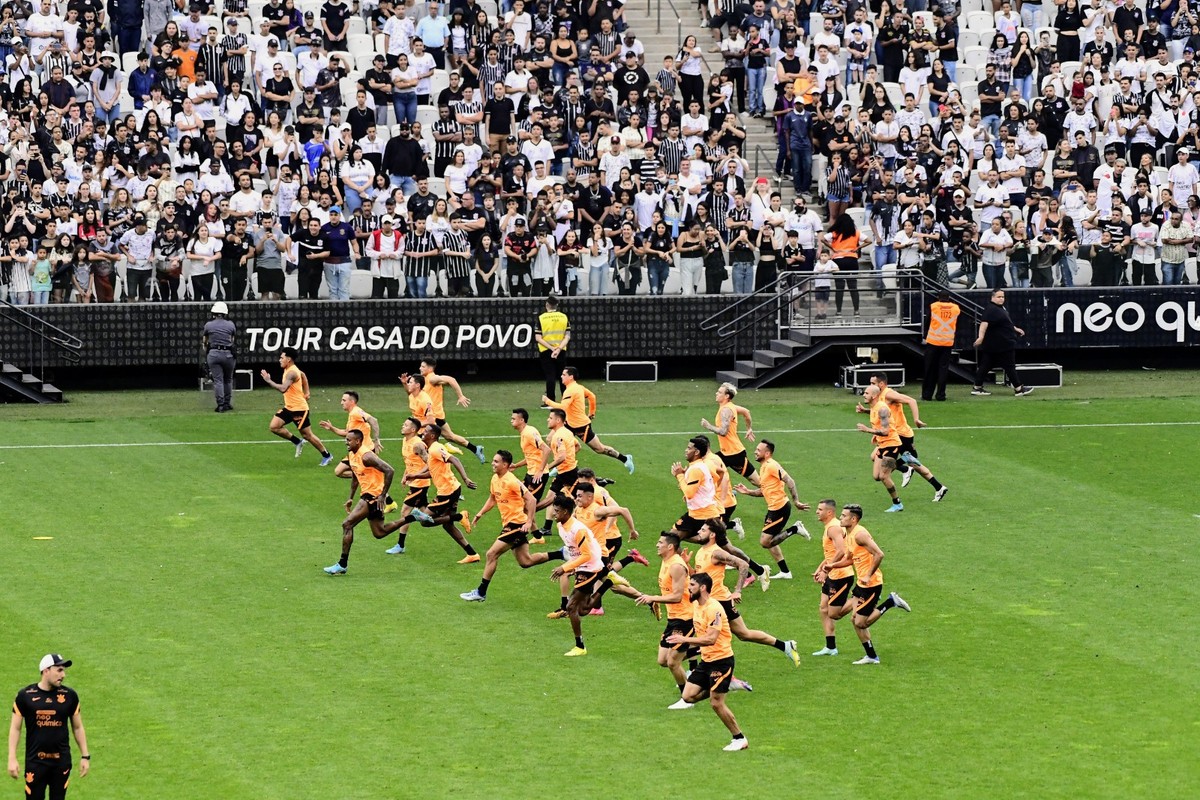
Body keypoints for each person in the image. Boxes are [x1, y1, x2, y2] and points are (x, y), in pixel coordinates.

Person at [665, 572, 749, 751]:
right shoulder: (697, 605)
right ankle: (727, 686)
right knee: (687, 696)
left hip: (721, 660)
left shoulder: (714, 608)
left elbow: (711, 638)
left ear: (702, 588)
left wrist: (685, 641)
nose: (689, 588)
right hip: (707, 659)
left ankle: (739, 738)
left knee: (716, 703)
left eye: (693, 585)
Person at [460, 449, 550, 602]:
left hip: (517, 524)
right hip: (510, 523)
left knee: (491, 554)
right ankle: (561, 554)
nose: (493, 464)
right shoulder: (495, 479)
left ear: (505, 464)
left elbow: (532, 500)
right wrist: (481, 513)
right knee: (525, 562)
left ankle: (481, 592)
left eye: (496, 461)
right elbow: (492, 499)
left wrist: (529, 522)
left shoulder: (512, 481)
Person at [7, 654, 90, 800]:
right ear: (46, 671)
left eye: (63, 670)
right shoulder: (25, 696)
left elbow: (77, 727)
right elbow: (15, 728)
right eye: (59, 670)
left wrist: (85, 756)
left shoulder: (70, 696)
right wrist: (12, 758)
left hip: (61, 762)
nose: (63, 675)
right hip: (35, 763)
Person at [323, 430, 403, 575]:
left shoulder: (367, 456)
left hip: (372, 496)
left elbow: (390, 470)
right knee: (379, 532)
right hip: (368, 495)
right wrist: (350, 498)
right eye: (346, 439)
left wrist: (383, 495)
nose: (346, 442)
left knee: (347, 524)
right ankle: (412, 517)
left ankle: (342, 564)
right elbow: (355, 477)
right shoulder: (352, 455)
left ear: (358, 441)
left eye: (349, 440)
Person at [840, 504, 912, 664]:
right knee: (854, 620)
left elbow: (879, 554)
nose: (840, 517)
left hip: (871, 584)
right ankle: (871, 656)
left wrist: (868, 575)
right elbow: (851, 559)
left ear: (853, 519)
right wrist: (830, 566)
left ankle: (890, 602)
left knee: (860, 622)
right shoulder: (849, 533)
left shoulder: (860, 534)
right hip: (861, 583)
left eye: (844, 515)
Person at [732, 440, 810, 580]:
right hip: (773, 508)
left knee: (765, 542)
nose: (755, 451)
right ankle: (785, 572)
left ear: (767, 453)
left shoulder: (771, 465)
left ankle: (795, 529)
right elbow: (764, 491)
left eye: (758, 450)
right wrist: (748, 491)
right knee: (770, 540)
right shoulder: (763, 467)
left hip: (780, 508)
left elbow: (790, 481)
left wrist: (796, 501)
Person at [866, 374, 949, 502]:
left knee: (909, 464)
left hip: (901, 435)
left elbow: (911, 401)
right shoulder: (879, 398)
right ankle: (937, 486)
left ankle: (906, 467)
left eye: (873, 383)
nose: (871, 386)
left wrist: (916, 419)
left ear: (881, 384)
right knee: (878, 458)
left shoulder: (889, 394)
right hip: (892, 435)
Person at [405, 424, 480, 564]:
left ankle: (460, 516)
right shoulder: (432, 449)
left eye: (426, 431)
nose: (422, 432)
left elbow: (455, 459)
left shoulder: (435, 449)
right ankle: (472, 554)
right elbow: (432, 472)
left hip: (448, 492)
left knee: (424, 520)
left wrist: (465, 478)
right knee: (448, 525)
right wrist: (415, 476)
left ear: (432, 436)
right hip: (450, 490)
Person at [542, 366, 635, 474]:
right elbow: (592, 396)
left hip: (581, 426)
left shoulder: (572, 390)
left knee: (600, 449)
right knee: (550, 438)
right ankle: (560, 466)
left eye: (564, 375)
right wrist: (591, 412)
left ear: (571, 377)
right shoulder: (578, 387)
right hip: (569, 424)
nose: (561, 376)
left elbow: (563, 407)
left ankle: (625, 459)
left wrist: (548, 401)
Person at [547, 493, 606, 656]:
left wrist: (565, 568)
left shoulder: (577, 529)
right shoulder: (561, 526)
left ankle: (580, 647)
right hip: (581, 566)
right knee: (582, 609)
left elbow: (587, 554)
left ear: (566, 512)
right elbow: (574, 550)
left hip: (591, 565)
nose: (553, 514)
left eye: (557, 511)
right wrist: (573, 567)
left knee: (571, 607)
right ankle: (608, 583)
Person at [260, 349, 333, 464]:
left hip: (299, 409)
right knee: (274, 427)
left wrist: (268, 380)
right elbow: (303, 375)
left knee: (307, 435)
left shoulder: (292, 372)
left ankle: (327, 455)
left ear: (288, 359)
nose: (280, 360)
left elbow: (283, 388)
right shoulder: (291, 369)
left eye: (281, 358)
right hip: (289, 407)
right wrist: (307, 391)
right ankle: (297, 441)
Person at [415, 358, 486, 463]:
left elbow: (451, 379)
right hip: (436, 415)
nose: (420, 368)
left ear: (430, 368)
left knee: (421, 439)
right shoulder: (427, 379)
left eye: (423, 366)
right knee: (450, 436)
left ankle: (440, 456)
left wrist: (460, 396)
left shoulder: (432, 378)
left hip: (434, 417)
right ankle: (475, 449)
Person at [811, 499, 856, 657]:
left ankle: (859, 599)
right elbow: (831, 553)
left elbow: (841, 551)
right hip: (833, 573)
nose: (817, 512)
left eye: (820, 509)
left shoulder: (834, 528)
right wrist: (820, 568)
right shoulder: (831, 526)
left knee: (834, 613)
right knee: (823, 608)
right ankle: (830, 647)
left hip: (841, 576)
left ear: (829, 512)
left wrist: (826, 570)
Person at [972, 289, 1034, 397]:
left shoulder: (999, 308)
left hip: (996, 345)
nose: (1001, 299)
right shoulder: (991, 309)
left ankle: (977, 387)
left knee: (985, 366)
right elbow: (983, 324)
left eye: (1003, 297)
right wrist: (980, 337)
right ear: (992, 297)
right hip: (1001, 344)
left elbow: (1004, 322)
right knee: (1009, 366)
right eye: (999, 297)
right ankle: (1019, 388)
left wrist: (1015, 328)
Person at [856, 383, 904, 512]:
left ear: (875, 395)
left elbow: (886, 431)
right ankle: (905, 463)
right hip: (881, 445)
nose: (864, 395)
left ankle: (897, 504)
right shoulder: (874, 407)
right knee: (876, 476)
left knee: (884, 476)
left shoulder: (882, 409)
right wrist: (864, 411)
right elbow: (875, 414)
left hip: (891, 444)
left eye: (866, 393)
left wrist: (868, 430)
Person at [318, 391, 384, 484]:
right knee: (338, 472)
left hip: (364, 451)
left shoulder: (356, 412)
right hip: (356, 451)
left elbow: (373, 420)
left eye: (344, 400)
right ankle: (365, 475)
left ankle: (367, 476)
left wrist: (376, 440)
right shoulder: (352, 414)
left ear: (352, 401)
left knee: (374, 486)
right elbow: (346, 433)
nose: (341, 403)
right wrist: (331, 428)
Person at [700, 382, 757, 481]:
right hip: (726, 453)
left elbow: (723, 432)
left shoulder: (726, 410)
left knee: (756, 482)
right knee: (705, 468)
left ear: (726, 396)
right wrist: (749, 429)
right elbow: (746, 412)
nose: (716, 393)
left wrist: (708, 426)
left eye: (719, 392)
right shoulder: (731, 406)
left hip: (734, 454)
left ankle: (773, 492)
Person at [922, 291, 960, 402]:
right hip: (947, 342)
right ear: (949, 298)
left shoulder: (934, 306)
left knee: (930, 369)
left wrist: (925, 336)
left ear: (938, 297)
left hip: (933, 342)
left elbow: (927, 321)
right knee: (943, 369)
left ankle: (927, 394)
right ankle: (941, 395)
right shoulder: (955, 308)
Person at [202, 301, 236, 413]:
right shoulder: (231, 325)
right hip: (228, 354)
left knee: (218, 381)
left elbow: (205, 342)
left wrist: (208, 352)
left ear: (214, 313)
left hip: (214, 353)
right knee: (228, 379)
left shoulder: (208, 325)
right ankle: (227, 403)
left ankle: (220, 405)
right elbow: (232, 340)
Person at [535, 295, 570, 401]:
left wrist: (552, 348)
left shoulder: (541, 318)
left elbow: (538, 337)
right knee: (562, 376)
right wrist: (558, 349)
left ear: (547, 305)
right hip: (561, 351)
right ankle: (566, 399)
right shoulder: (564, 317)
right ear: (557, 305)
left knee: (550, 376)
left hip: (546, 351)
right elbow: (567, 336)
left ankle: (550, 400)